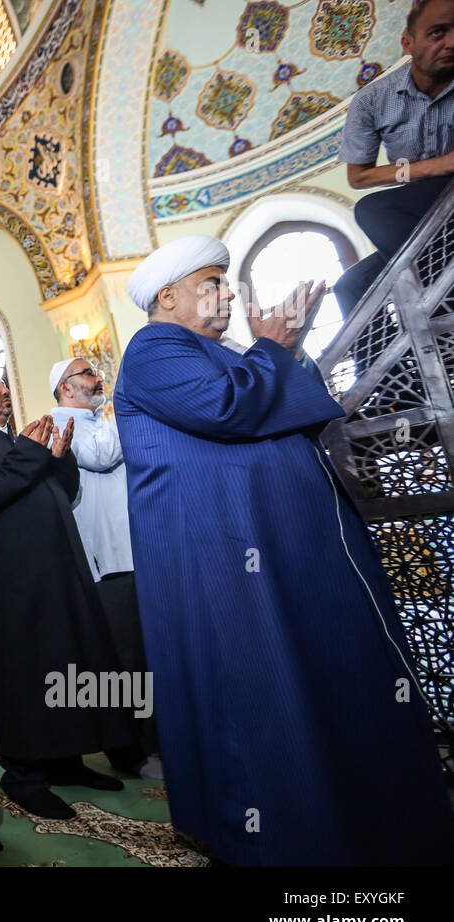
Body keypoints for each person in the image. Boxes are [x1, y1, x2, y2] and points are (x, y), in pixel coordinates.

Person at [115, 233, 454, 865]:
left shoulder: (227, 350)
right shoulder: (154, 347)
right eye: (210, 283)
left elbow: (298, 408)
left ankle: (363, 818)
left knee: (324, 682)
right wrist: (276, 344)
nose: (226, 294)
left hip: (277, 548)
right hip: (228, 558)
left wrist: (278, 347)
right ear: (168, 296)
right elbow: (226, 408)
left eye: (225, 281)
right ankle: (293, 841)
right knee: (265, 693)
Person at [0, 374, 139, 820]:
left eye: (4, 385)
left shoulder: (21, 439)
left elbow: (66, 493)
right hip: (11, 581)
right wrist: (34, 455)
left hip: (56, 568)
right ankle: (24, 775)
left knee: (66, 661)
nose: (3, 392)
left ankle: (66, 759)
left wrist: (57, 459)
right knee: (26, 673)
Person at [48, 359, 161, 778]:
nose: (98, 378)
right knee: (125, 661)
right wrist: (126, 408)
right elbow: (100, 456)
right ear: (66, 387)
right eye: (89, 374)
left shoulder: (102, 420)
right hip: (107, 560)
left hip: (136, 551)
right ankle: (135, 751)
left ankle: (160, 741)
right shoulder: (61, 424)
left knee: (148, 654)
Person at [335, 0, 454, 318]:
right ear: (408, 43)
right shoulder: (372, 100)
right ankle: (394, 369)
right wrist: (432, 167)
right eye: (438, 32)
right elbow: (358, 177)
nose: (451, 42)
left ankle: (441, 301)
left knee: (377, 209)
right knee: (350, 286)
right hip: (421, 211)